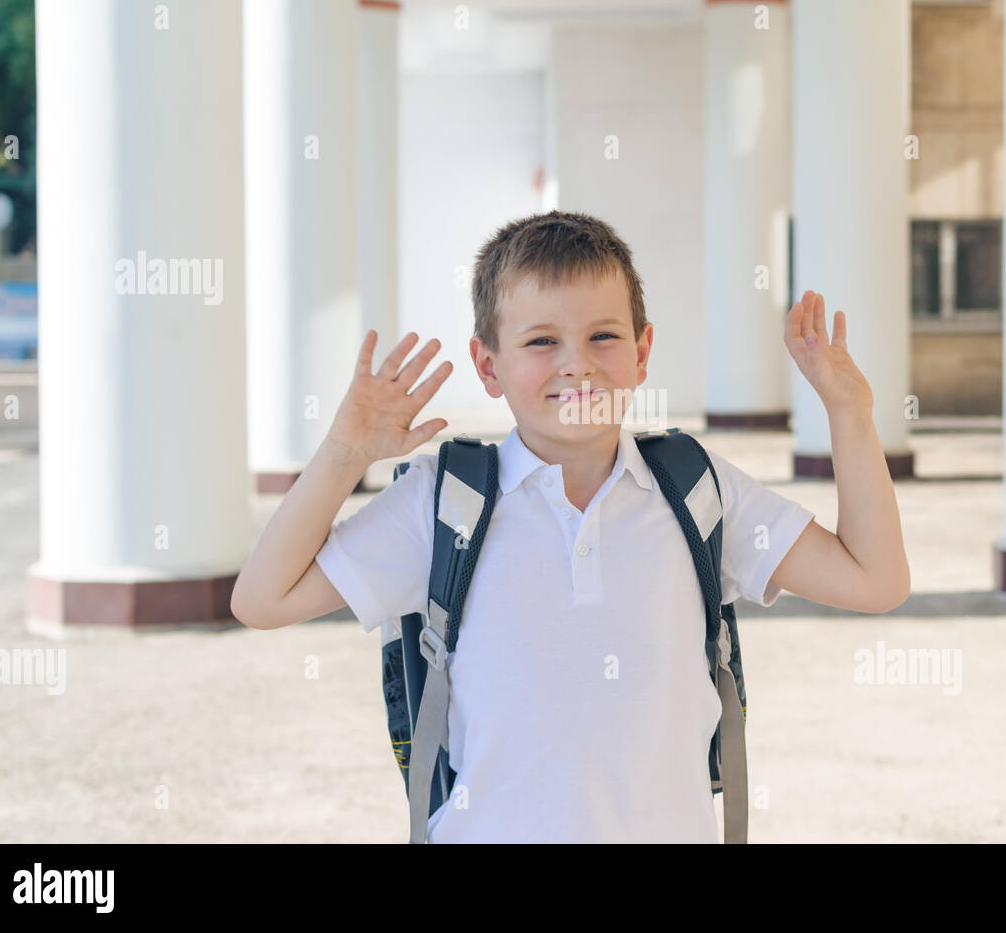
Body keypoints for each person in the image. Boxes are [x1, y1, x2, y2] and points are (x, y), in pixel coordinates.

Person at [230, 209, 910, 842]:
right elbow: (263, 601)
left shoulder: (697, 489)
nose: (576, 363)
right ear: (488, 366)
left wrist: (850, 412)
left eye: (603, 336)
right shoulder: (446, 502)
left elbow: (875, 580)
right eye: (541, 340)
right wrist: (345, 455)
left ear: (642, 354)